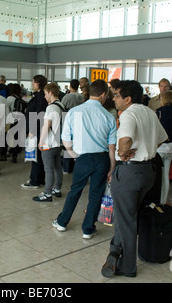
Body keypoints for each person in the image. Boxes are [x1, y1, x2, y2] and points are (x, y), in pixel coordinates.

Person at [101, 80, 168, 278]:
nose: (114, 99)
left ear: (127, 99)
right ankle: (115, 250)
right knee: (127, 215)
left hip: (131, 172)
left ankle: (127, 266)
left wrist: (123, 153)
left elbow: (125, 140)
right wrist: (146, 147)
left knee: (127, 219)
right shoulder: (149, 112)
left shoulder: (129, 114)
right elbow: (162, 138)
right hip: (148, 170)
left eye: (117, 95)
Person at [52, 79, 117, 239]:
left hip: (82, 158)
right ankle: (88, 229)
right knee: (96, 193)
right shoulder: (109, 116)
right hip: (102, 159)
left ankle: (62, 222)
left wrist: (74, 155)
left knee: (75, 190)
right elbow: (112, 148)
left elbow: (66, 139)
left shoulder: (75, 112)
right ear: (104, 94)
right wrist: (112, 168)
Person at [33, 83, 65, 202]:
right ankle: (57, 189)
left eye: (46, 94)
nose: (45, 96)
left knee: (48, 168)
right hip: (59, 143)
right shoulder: (61, 105)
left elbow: (46, 126)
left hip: (49, 143)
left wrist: (41, 141)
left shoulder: (51, 107)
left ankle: (47, 193)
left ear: (51, 93)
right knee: (57, 167)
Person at [21, 75, 48, 188]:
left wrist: (32, 130)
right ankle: (39, 179)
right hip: (37, 129)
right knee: (39, 156)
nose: (33, 84)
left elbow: (39, 115)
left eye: (34, 82)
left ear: (39, 83)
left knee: (36, 155)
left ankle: (35, 181)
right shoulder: (39, 95)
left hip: (36, 131)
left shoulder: (41, 97)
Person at [155, 90, 172, 204]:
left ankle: (156, 199)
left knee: (157, 175)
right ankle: (163, 200)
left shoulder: (158, 112)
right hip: (171, 147)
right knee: (166, 175)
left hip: (159, 147)